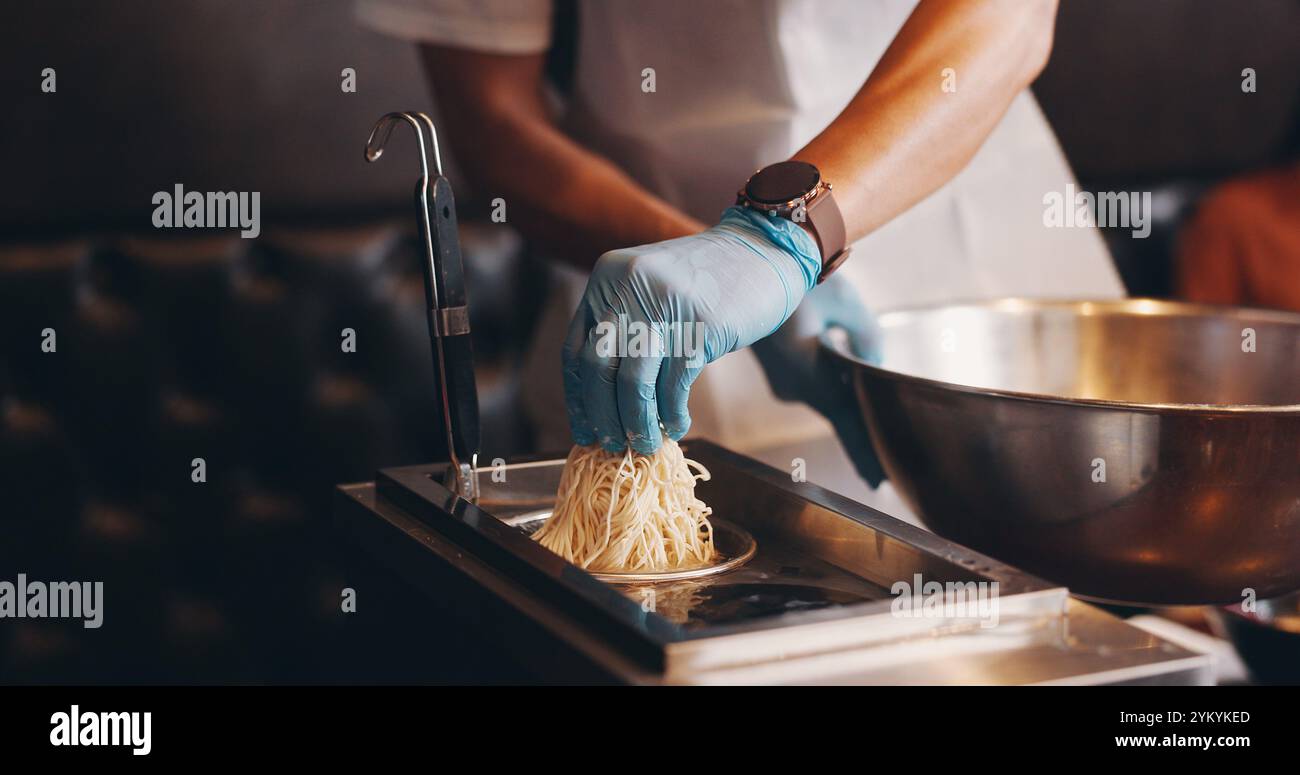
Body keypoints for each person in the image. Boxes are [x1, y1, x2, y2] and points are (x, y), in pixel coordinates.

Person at [358, 0, 1122, 508]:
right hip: (661, 276)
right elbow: (493, 118)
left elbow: (1010, 18)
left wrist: (780, 237)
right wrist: (703, 253)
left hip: (976, 238)